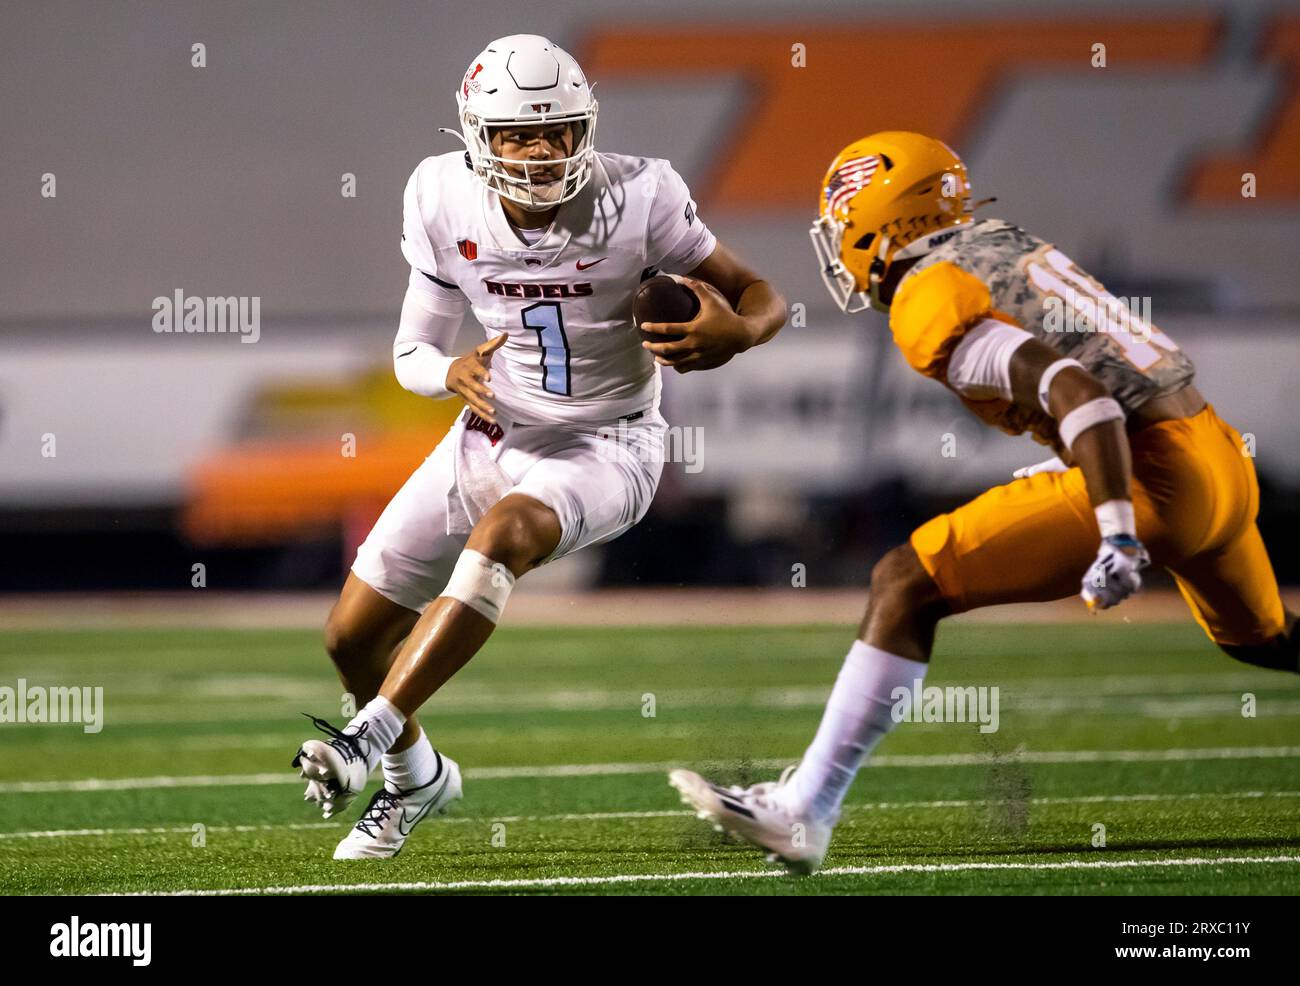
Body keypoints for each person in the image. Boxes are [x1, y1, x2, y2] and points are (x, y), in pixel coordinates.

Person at [670, 130, 1296, 874]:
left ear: (879, 216)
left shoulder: (930, 293)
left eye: (845, 221)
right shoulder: (998, 241)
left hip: (1152, 475)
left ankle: (806, 808)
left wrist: (1118, 534)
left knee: (906, 581)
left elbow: (1082, 398)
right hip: (1217, 453)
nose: (840, 242)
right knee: (1264, 641)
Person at [293, 34, 787, 860]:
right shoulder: (440, 195)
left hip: (607, 442)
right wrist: (447, 371)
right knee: (349, 640)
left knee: (505, 537)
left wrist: (739, 332)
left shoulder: (640, 192)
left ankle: (367, 739)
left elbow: (759, 292)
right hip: (488, 433)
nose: (542, 150)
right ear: (475, 136)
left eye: (557, 129)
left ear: (583, 126)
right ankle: (419, 777)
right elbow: (411, 352)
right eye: (519, 133)